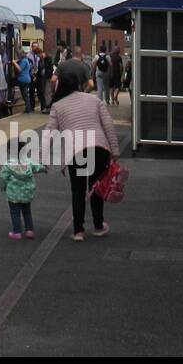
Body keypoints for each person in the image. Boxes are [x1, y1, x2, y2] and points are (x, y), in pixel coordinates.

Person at [47, 72, 121, 240]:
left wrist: (42, 158)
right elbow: (108, 125)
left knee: (78, 191)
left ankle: (78, 231)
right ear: (79, 84)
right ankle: (98, 226)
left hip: (77, 152)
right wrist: (115, 151)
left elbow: (49, 133)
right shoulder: (94, 100)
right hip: (99, 149)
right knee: (96, 188)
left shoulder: (58, 106)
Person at [0, 154, 47, 240]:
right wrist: (44, 168)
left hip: (13, 193)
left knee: (15, 213)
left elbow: (2, 177)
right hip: (27, 192)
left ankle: (17, 232)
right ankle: (29, 230)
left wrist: (3, 187)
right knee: (27, 212)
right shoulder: (28, 162)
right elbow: (37, 167)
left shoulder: (8, 164)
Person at [38, 46, 54, 113]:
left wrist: (46, 73)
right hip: (42, 78)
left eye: (41, 53)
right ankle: (44, 107)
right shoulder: (40, 60)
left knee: (47, 93)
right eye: (39, 54)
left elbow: (51, 69)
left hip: (47, 79)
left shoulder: (48, 59)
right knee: (42, 93)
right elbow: (40, 69)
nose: (40, 55)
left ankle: (48, 108)